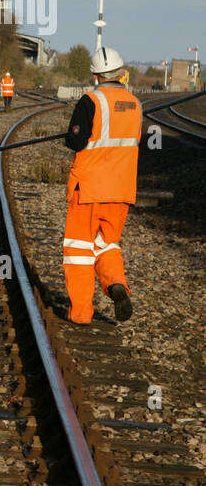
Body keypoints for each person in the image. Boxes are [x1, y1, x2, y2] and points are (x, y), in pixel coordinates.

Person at [61, 46, 141, 324]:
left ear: (95, 75)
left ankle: (81, 313)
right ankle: (116, 284)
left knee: (79, 250)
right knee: (106, 244)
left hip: (90, 189)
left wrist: (69, 136)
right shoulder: (135, 104)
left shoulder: (90, 101)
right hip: (122, 192)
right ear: (121, 73)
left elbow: (77, 141)